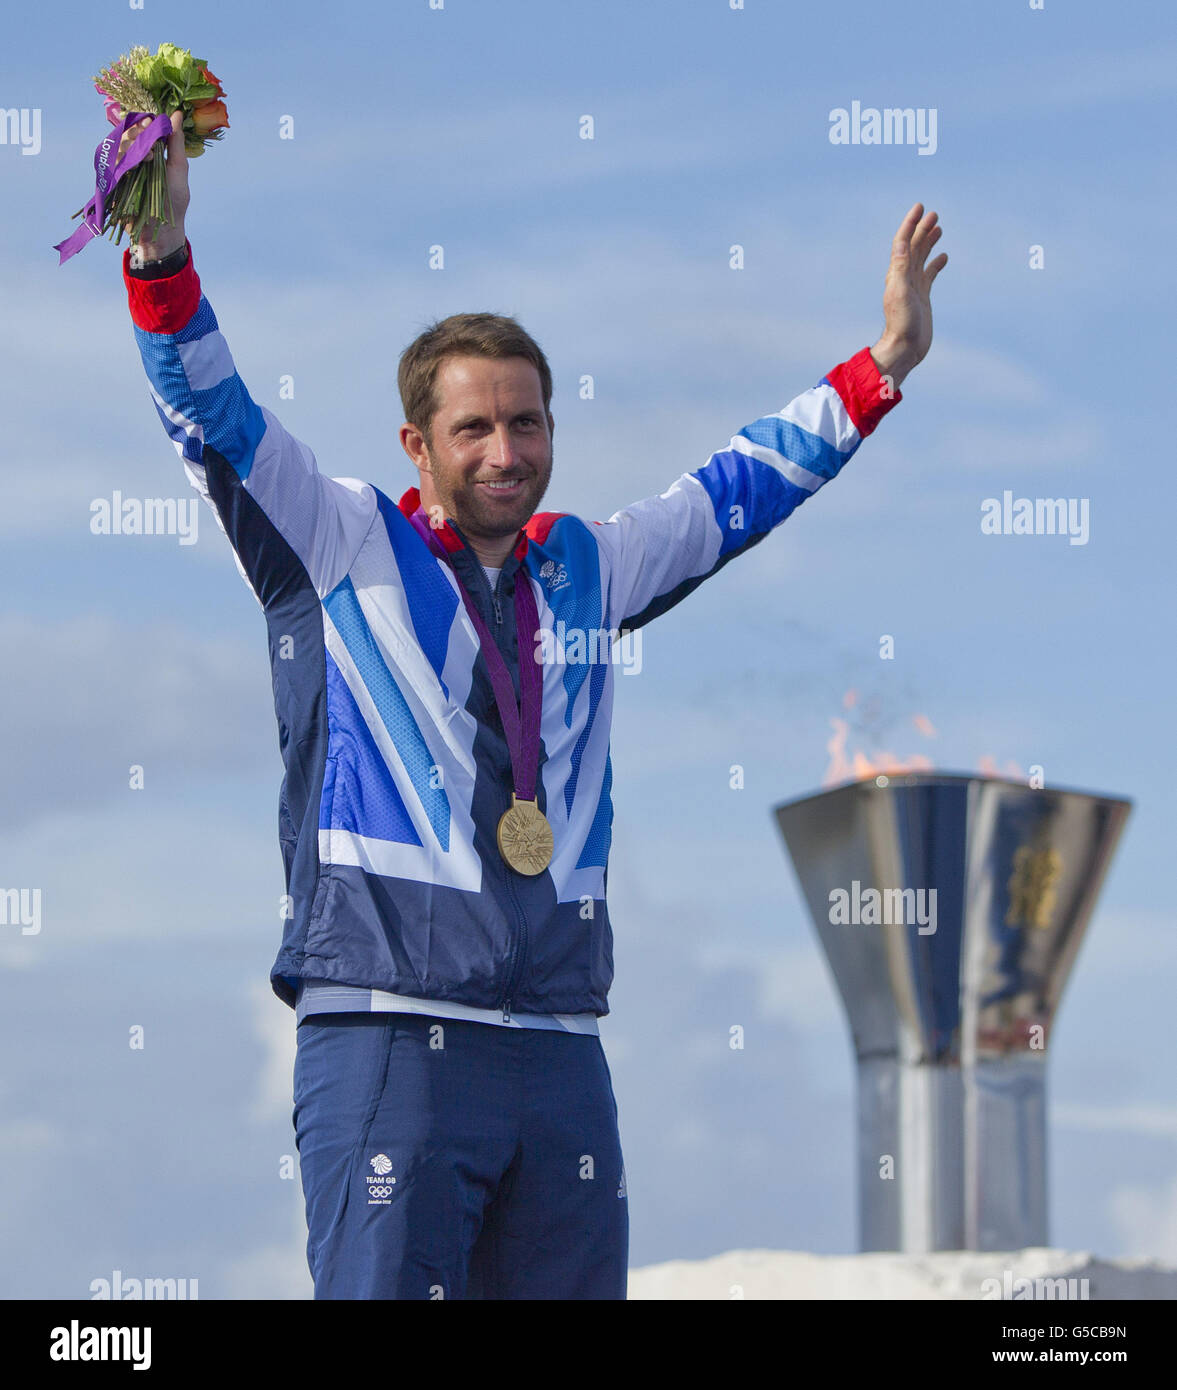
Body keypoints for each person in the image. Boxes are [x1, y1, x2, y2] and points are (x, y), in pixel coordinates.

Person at [118, 112, 946, 1300]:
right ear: (419, 443)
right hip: (388, 1035)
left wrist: (882, 368)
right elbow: (214, 412)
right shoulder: (340, 538)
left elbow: (740, 485)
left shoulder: (588, 567)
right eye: (475, 427)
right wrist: (159, 260)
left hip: (560, 1050)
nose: (506, 449)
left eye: (527, 421)